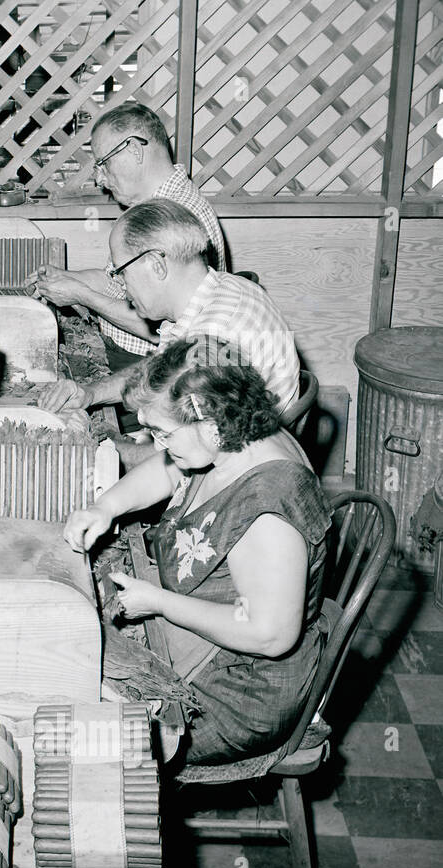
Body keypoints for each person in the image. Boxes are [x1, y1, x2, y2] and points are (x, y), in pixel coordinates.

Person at [63, 342, 331, 768]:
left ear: (209, 421)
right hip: (204, 644)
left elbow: (269, 634)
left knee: (83, 729)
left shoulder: (266, 510)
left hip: (240, 689)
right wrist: (105, 507)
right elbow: (172, 468)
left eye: (164, 433)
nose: (158, 445)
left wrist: (160, 604)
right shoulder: (233, 438)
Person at [40, 199, 300, 421]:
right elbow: (159, 367)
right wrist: (91, 393)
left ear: (156, 265)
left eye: (120, 272)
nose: (119, 283)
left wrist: (108, 450)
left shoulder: (211, 340)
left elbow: (180, 462)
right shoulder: (226, 287)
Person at [30, 102, 226, 359]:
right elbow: (116, 282)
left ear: (134, 150)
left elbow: (158, 329)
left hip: (150, 364)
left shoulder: (179, 216)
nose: (100, 180)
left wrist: (80, 294)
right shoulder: (150, 206)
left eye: (103, 164)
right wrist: (66, 278)